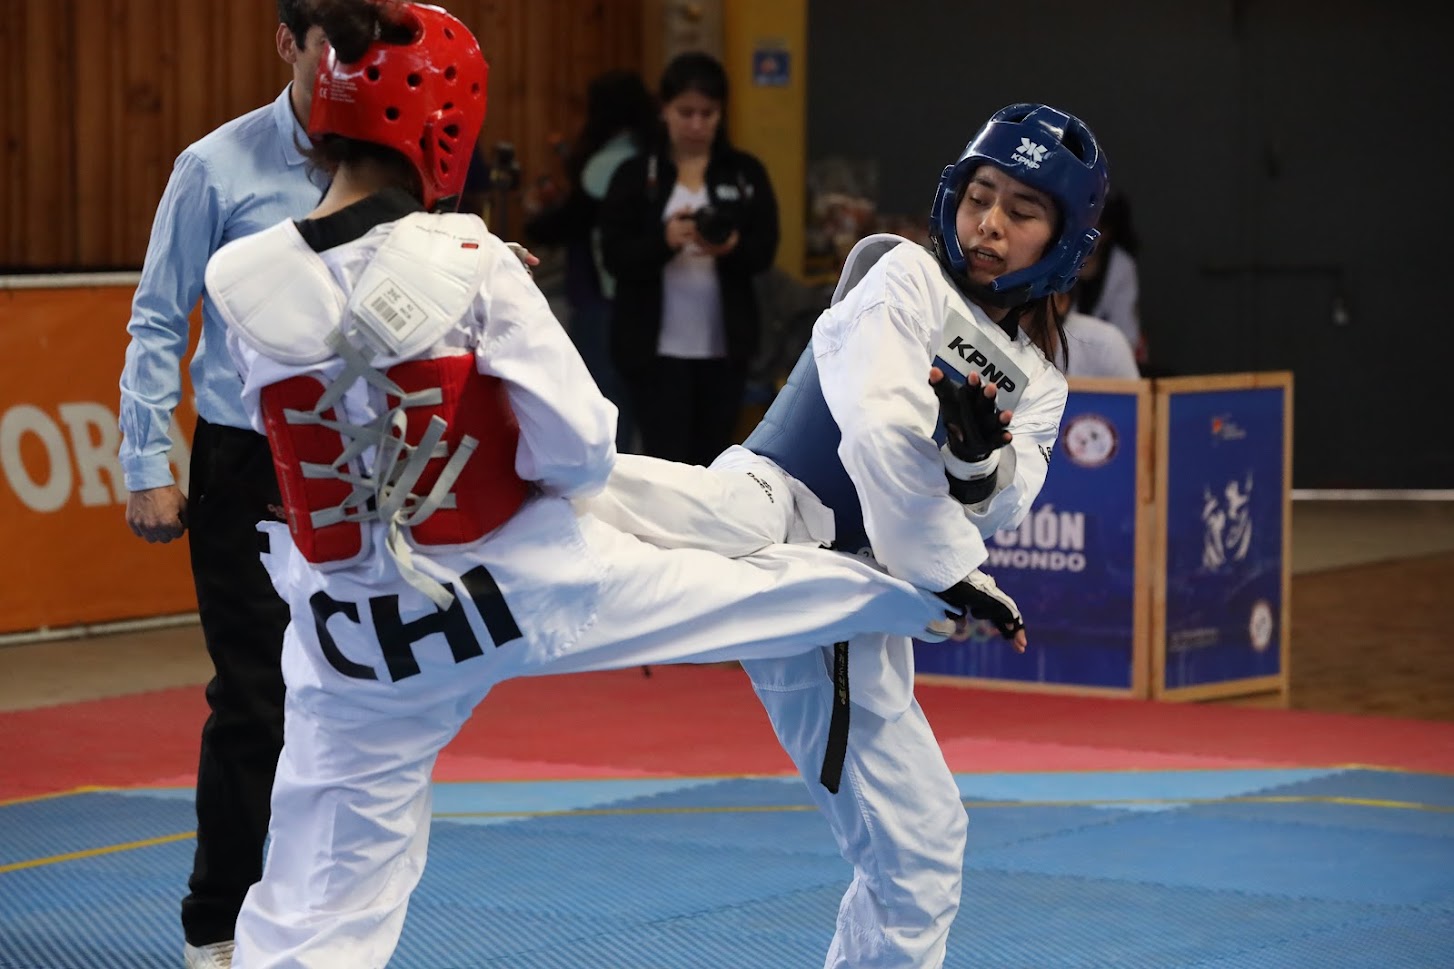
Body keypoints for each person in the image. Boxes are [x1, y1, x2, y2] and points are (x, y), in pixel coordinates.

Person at [202, 5, 1006, 964]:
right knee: (750, 593)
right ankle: (928, 595)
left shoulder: (237, 277)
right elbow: (581, 447)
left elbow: (277, 423)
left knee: (319, 891)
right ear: (445, 131)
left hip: (348, 633)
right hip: (511, 583)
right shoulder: (471, 265)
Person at [729, 104, 1110, 967]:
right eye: (982, 195)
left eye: (1022, 210)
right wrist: (953, 571)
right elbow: (879, 429)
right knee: (918, 854)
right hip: (789, 542)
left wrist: (978, 466)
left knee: (921, 851)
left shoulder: (1041, 383)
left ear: (1063, 240)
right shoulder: (897, 273)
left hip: (857, 590)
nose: (990, 224)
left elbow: (1007, 501)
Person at [116, 4, 329, 966]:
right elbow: (160, 319)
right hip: (247, 458)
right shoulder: (217, 165)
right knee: (258, 697)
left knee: (352, 701)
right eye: (334, 41)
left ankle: (315, 916)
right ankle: (220, 925)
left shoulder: (401, 160)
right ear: (288, 42)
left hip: (359, 464)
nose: (353, 63)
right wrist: (146, 462)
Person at [599, 51, 779, 465]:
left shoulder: (744, 173)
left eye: (708, 113)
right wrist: (664, 240)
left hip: (724, 348)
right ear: (664, 110)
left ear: (721, 114)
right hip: (653, 350)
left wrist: (729, 247)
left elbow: (765, 249)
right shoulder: (635, 174)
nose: (697, 125)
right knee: (665, 461)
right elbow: (614, 255)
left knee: (715, 461)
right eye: (685, 112)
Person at [524, 69, 656, 450]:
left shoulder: (607, 162)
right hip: (639, 301)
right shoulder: (646, 155)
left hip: (601, 300)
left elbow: (575, 219)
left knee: (606, 409)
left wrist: (536, 223)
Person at [1074, 190, 1144, 365]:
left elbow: (1127, 334)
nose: (1084, 234)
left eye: (1093, 227)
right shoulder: (1060, 255)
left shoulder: (1121, 266)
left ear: (1106, 232)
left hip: (1104, 361)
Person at [1057, 288, 1139, 378]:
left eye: (1042, 293)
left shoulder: (1107, 343)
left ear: (1062, 301)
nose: (1038, 303)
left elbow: (1135, 391)